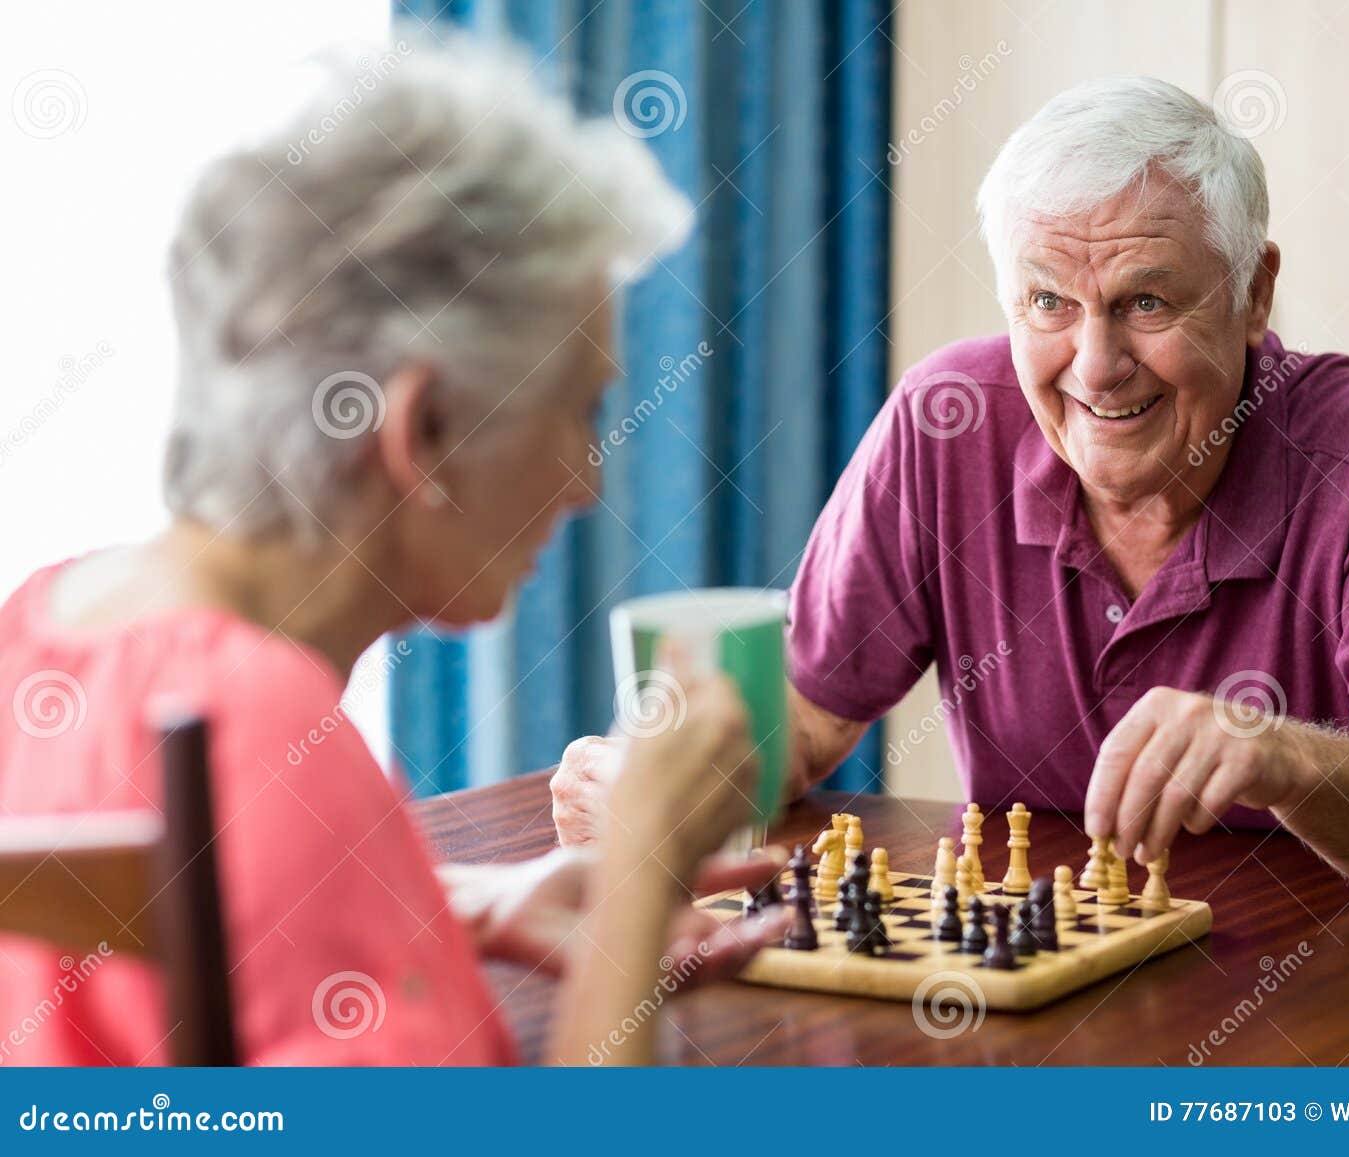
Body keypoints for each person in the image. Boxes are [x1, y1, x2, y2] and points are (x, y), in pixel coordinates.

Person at [0, 37, 785, 1067]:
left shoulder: (42, 618)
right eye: (577, 408)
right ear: (419, 432)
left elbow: (193, 911)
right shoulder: (260, 723)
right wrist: (640, 876)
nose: (588, 480)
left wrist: (457, 901)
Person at [555, 77, 1349, 887]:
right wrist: (661, 785)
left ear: (1253, 293)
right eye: (1049, 301)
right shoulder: (946, 423)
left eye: (1145, 302)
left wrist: (1283, 754)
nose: (1094, 365)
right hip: (1035, 990)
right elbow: (802, 724)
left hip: (1326, 1006)